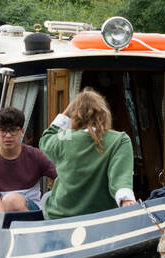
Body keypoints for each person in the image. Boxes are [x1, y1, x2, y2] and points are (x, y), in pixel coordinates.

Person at [39, 89, 137, 219]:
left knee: (46, 197)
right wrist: (125, 200)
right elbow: (120, 178)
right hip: (102, 214)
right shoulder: (119, 140)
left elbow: (46, 139)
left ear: (75, 115)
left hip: (60, 216)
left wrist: (65, 114)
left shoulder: (66, 137)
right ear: (104, 113)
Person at [0, 107, 57, 213]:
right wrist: (4, 222)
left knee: (12, 201)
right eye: (3, 131)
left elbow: (61, 179)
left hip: (31, 208)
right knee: (10, 202)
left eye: (13, 130)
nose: (8, 136)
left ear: (22, 132)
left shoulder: (36, 156)